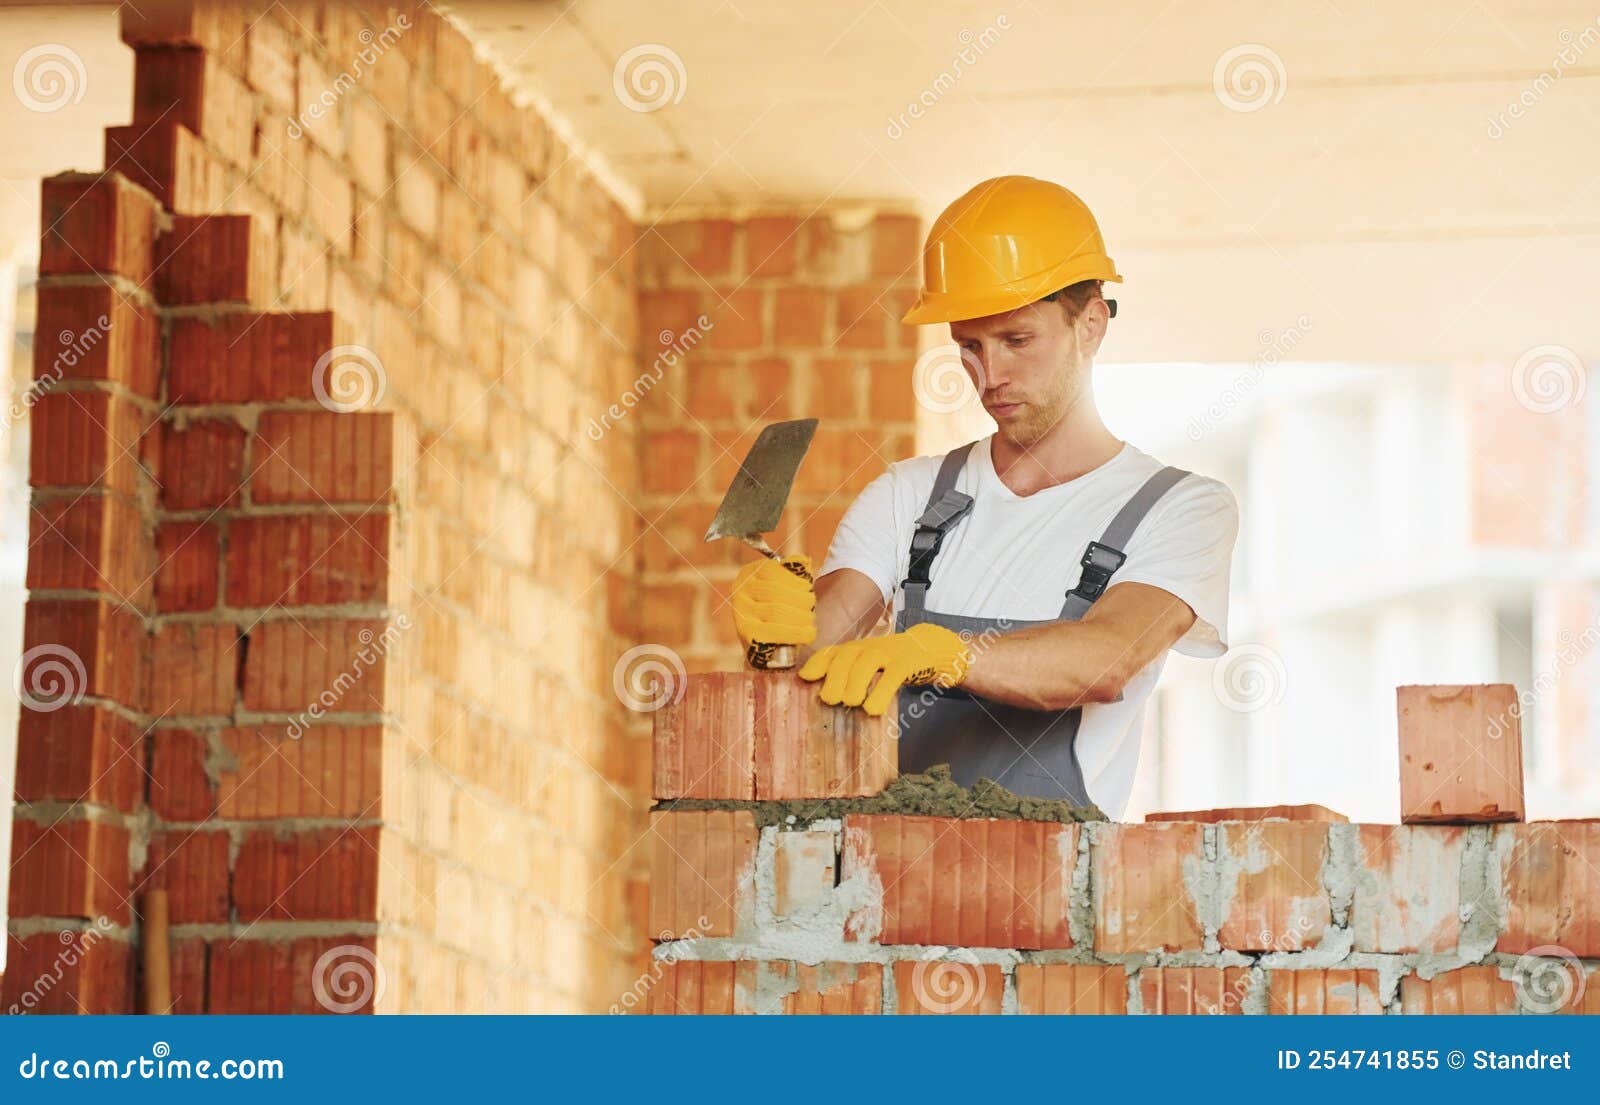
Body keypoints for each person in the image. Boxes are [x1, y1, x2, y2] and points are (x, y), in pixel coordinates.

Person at [730, 175, 1240, 819]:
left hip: (1055, 887)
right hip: (879, 881)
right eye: (969, 346)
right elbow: (811, 662)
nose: (989, 375)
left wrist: (946, 654)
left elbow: (1107, 660)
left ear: (1091, 324)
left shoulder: (1181, 508)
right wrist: (773, 636)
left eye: (1017, 341)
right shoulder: (908, 495)